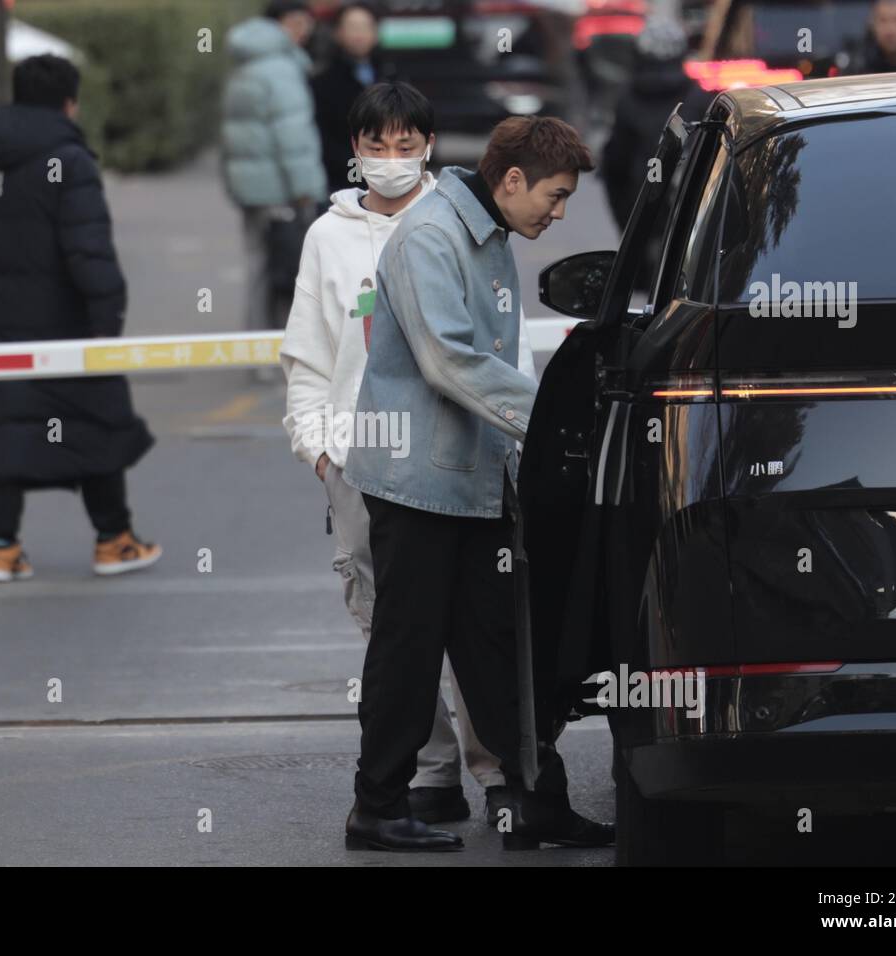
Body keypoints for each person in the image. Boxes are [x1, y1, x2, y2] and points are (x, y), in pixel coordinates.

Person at [340, 116, 616, 850]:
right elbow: (449, 361)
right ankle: (377, 808)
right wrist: (555, 423)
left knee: (500, 649)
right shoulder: (432, 237)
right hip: (417, 486)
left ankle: (534, 800)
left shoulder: (486, 234)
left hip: (474, 480)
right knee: (409, 646)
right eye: (554, 197)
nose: (558, 214)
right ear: (513, 180)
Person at [282, 82, 535, 826]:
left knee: (471, 623)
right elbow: (307, 354)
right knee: (391, 626)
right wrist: (322, 451)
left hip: (456, 458)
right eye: (375, 145)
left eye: (405, 144)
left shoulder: (455, 226)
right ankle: (429, 772)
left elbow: (498, 349)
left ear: (429, 145)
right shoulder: (327, 237)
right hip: (362, 463)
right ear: (354, 151)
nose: (391, 159)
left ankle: (497, 771)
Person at [0, 54, 161, 583]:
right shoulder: (68, 161)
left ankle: (2, 549)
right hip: (68, 327)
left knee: (0, 431)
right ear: (69, 103)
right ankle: (113, 540)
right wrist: (108, 320)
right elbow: (89, 250)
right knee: (95, 425)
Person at [221, 0, 329, 333]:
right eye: (298, 22)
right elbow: (291, 136)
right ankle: (271, 346)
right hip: (281, 190)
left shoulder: (248, 61)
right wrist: (305, 191)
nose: (305, 30)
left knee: (260, 267)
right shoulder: (280, 68)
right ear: (279, 24)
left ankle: (254, 344)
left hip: (252, 188)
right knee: (283, 270)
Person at [602, 16, 710, 232]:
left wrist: (627, 225)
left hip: (647, 218)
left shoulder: (626, 100)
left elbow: (614, 166)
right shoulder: (700, 97)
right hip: (689, 220)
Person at [312, 1, 396, 196]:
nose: (359, 35)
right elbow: (323, 138)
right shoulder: (322, 82)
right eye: (352, 27)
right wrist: (357, 169)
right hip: (342, 179)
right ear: (338, 33)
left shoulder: (391, 75)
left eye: (366, 27)